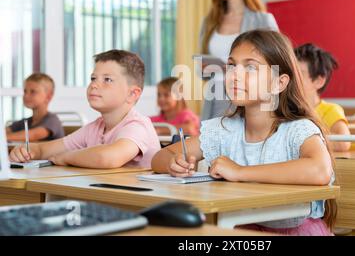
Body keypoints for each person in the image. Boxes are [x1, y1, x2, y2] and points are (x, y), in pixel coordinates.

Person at [152, 30, 336, 236]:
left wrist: (239, 172)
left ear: (279, 83)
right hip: (238, 230)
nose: (235, 75)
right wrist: (173, 163)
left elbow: (320, 170)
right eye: (232, 65)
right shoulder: (223, 129)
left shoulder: (297, 129)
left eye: (250, 67)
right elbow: (160, 157)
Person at [9, 50, 161, 169]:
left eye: (107, 79)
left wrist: (66, 157)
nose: (94, 85)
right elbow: (45, 150)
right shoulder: (94, 128)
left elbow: (108, 158)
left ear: (132, 94)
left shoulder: (137, 125)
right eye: (93, 78)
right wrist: (28, 150)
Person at [199, 0, 279, 121]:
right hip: (217, 96)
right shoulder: (209, 23)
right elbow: (202, 71)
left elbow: (276, 65)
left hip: (250, 97)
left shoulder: (262, 20)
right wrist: (207, 67)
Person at [294, 44, 350, 151]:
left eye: (299, 74)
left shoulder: (330, 110)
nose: (290, 79)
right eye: (290, 73)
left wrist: (303, 144)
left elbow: (343, 143)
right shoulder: (285, 110)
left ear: (319, 81)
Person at [6, 73, 64, 142]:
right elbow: (5, 131)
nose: (26, 96)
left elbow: (33, 135)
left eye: (33, 92)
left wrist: (3, 137)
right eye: (25, 91)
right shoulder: (24, 122)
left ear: (48, 96)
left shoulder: (53, 120)